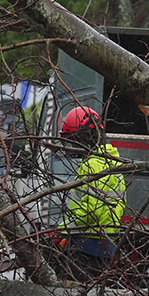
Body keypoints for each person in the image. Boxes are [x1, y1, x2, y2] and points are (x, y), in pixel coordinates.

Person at [56, 106, 126, 279]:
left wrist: (62, 232)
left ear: (87, 136)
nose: (73, 145)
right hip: (107, 242)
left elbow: (89, 211)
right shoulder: (112, 161)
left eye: (75, 139)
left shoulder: (93, 165)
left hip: (89, 245)